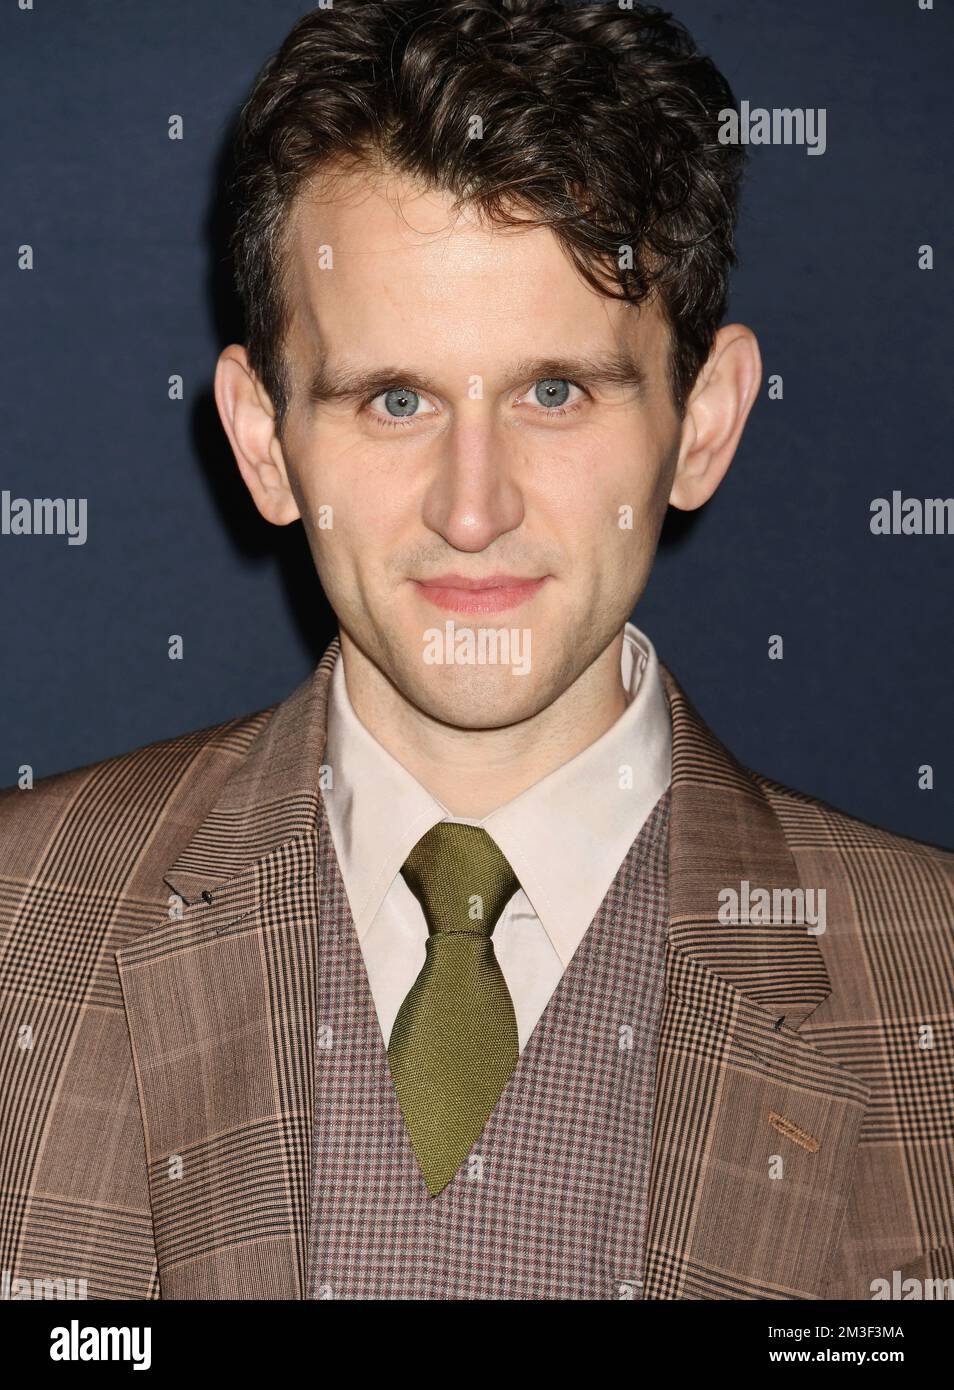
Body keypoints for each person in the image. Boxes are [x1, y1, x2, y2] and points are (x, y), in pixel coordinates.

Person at [1, 0, 952, 1302]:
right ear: (265, 441)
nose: (471, 505)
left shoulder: (934, 997)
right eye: (394, 400)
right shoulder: (15, 932)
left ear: (704, 423)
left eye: (552, 392)